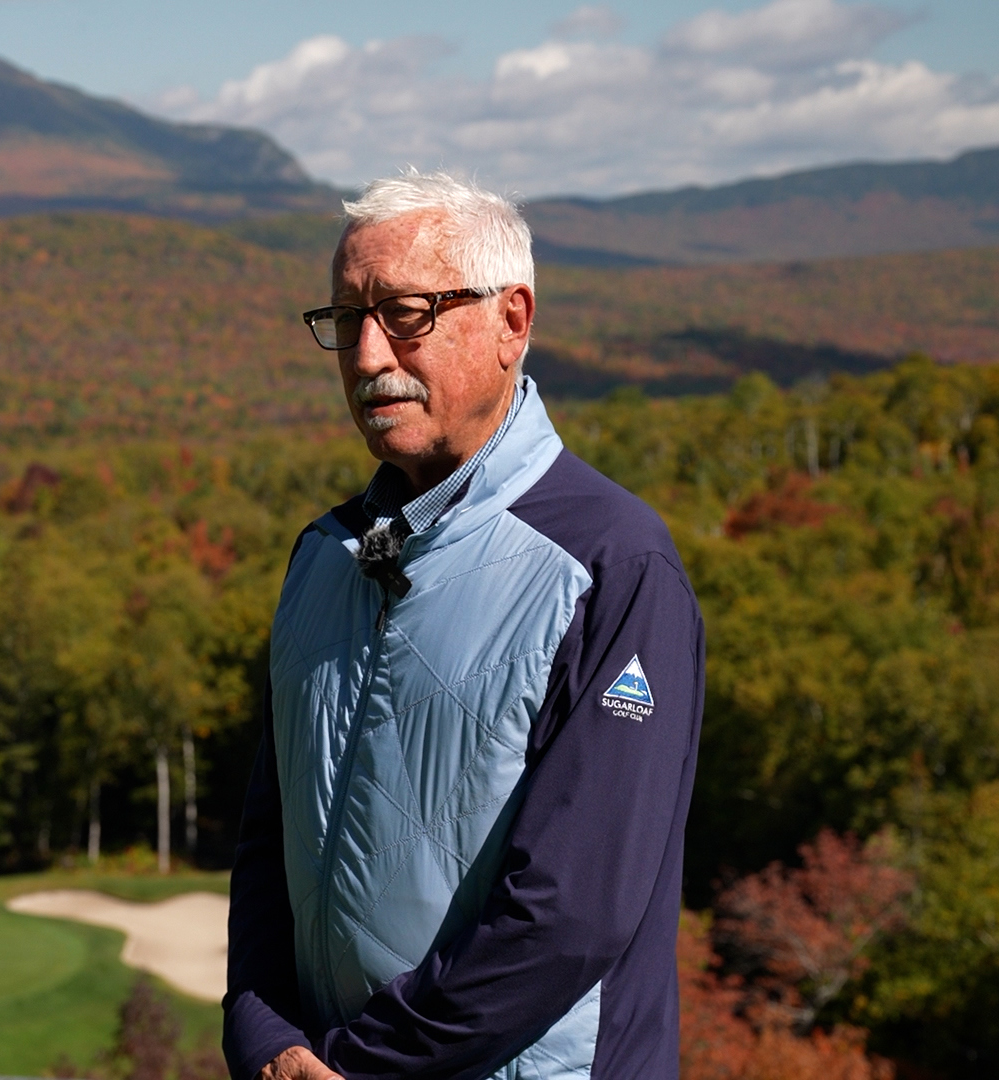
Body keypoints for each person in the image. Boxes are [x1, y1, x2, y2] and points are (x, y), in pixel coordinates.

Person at [223, 170, 705, 1080]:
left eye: (405, 313)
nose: (367, 357)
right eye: (345, 318)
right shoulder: (322, 558)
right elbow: (267, 841)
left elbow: (568, 913)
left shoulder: (613, 565)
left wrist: (357, 1067)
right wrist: (264, 1035)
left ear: (511, 321)